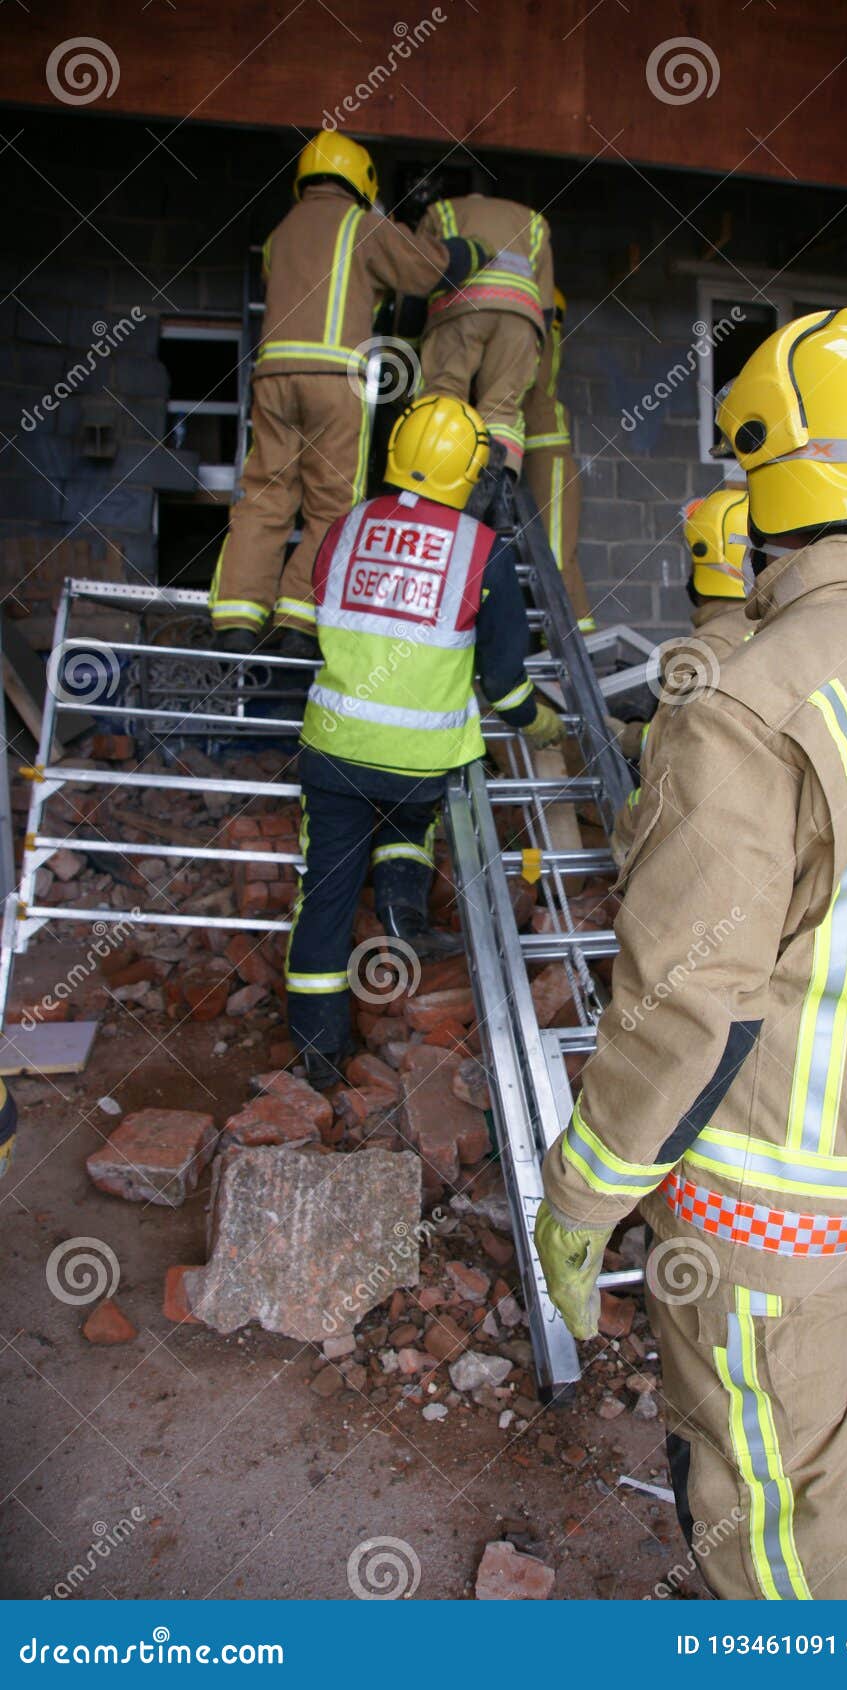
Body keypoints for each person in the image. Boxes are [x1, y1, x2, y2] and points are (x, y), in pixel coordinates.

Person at [534, 307, 847, 1599]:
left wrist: (581, 1195)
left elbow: (685, 998)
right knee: (806, 1450)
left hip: (756, 1189)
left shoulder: (749, 701)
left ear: (774, 475)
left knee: (773, 1516)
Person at [285, 392, 564, 1088]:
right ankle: (401, 912)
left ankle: (317, 1052)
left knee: (324, 897)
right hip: (418, 762)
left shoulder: (346, 528)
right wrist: (540, 723)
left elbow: (326, 610)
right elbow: (502, 680)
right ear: (469, 472)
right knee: (411, 820)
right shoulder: (481, 550)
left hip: (335, 749)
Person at [209, 134, 491, 657]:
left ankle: (237, 618)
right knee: (331, 502)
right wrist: (469, 252)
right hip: (335, 380)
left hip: (272, 378)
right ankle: (299, 621)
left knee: (265, 496)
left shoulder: (279, 235)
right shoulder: (361, 225)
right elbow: (424, 269)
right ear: (361, 178)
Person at [614, 487, 753, 862]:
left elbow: (669, 776)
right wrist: (633, 737)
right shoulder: (784, 632)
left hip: (703, 854)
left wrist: (625, 836)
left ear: (703, 562)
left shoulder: (701, 656)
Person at [414, 193, 553, 523]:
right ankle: (497, 495)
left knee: (445, 397)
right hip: (521, 318)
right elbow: (547, 308)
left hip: (460, 309)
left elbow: (416, 280)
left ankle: (434, 490)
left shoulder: (440, 212)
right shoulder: (534, 222)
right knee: (502, 408)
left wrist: (408, 342)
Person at [522, 288, 594, 628]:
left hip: (546, 451)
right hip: (538, 451)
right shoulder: (536, 339)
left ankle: (571, 638)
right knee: (557, 558)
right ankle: (577, 638)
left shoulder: (538, 343)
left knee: (555, 559)